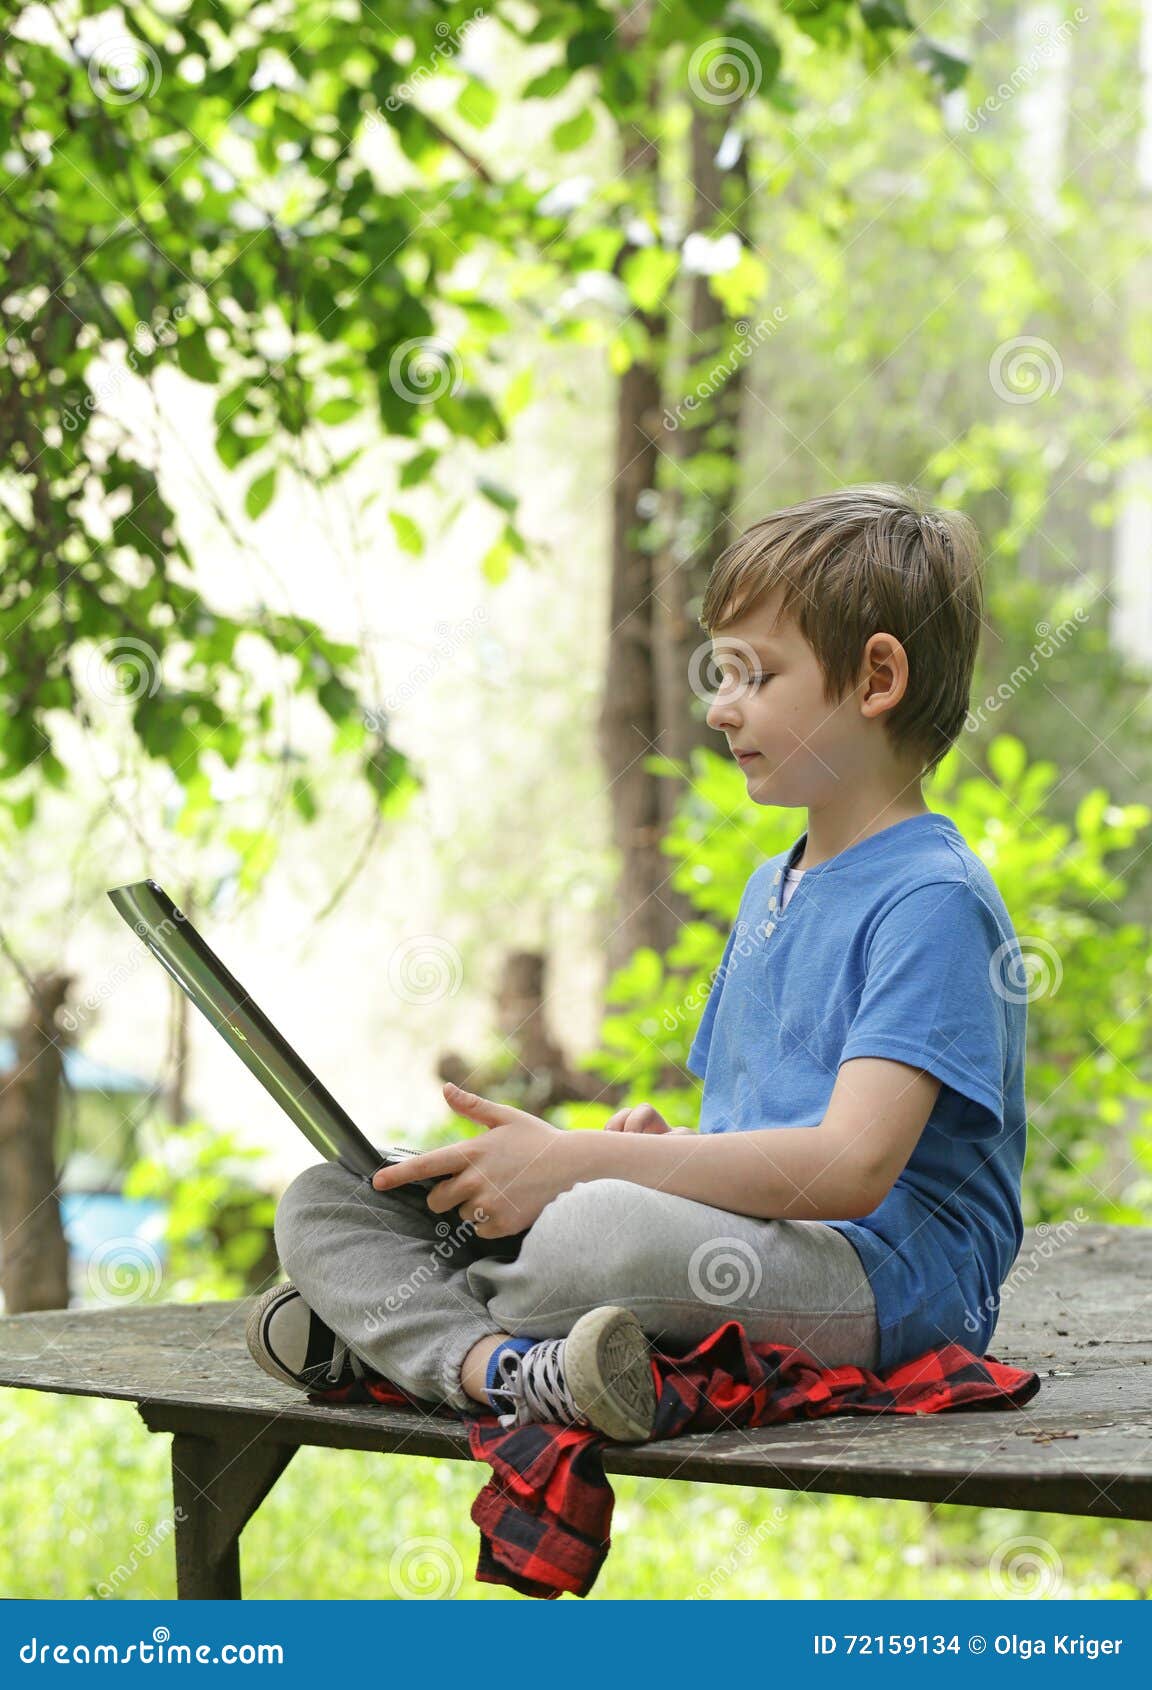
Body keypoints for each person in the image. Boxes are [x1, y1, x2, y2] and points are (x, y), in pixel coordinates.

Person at [248, 483, 1028, 1445]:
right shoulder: (771, 887)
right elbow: (763, 1131)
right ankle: (500, 1368)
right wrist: (664, 1147)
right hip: (758, 1246)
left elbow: (850, 1168)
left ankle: (383, 1333)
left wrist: (586, 1165)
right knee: (335, 1195)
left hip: (885, 1282)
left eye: (752, 675)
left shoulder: (931, 901)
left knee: (594, 1230)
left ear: (876, 680)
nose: (718, 708)